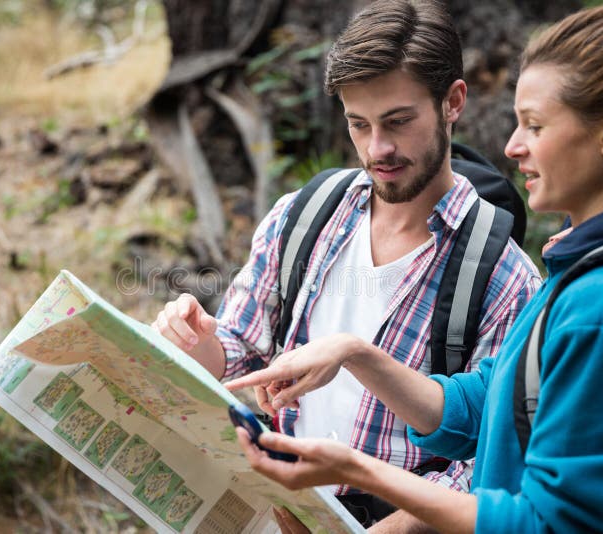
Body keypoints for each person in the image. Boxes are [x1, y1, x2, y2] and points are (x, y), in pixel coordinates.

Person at [226, 4, 603, 532]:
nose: (511, 147)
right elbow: (482, 408)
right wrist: (355, 353)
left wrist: (360, 474)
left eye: (535, 125)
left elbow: (551, 523)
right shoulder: (579, 273)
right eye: (358, 124)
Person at [152, 0, 541, 529]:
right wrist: (204, 349)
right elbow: (246, 356)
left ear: (453, 102)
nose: (377, 148)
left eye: (398, 121)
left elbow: (490, 461)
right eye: (359, 124)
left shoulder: (504, 276)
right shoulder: (304, 215)